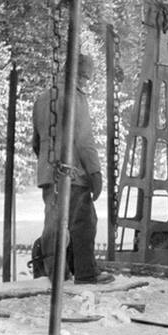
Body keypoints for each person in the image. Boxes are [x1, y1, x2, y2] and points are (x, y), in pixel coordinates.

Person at [31, 52, 112, 284]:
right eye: (86, 77)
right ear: (77, 74)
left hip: (49, 174)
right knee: (84, 222)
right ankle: (86, 272)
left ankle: (55, 272)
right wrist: (95, 173)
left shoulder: (43, 98)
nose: (86, 82)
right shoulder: (76, 98)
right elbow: (84, 140)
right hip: (72, 172)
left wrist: (48, 167)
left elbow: (36, 142)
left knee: (54, 222)